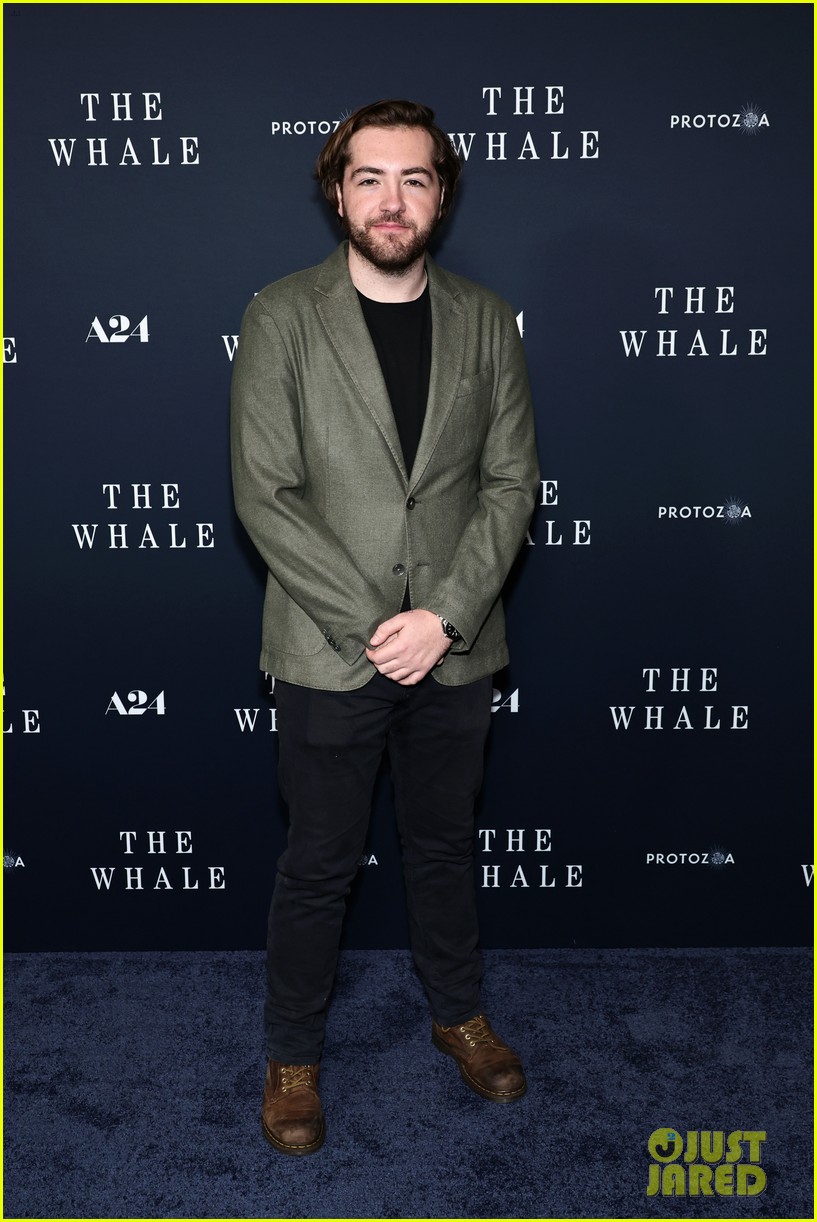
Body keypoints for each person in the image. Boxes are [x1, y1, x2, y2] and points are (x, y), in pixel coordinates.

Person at [231, 99, 539, 1156]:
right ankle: (292, 1055)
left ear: (441, 195)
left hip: (456, 648)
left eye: (413, 179)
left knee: (444, 848)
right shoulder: (280, 315)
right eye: (370, 177)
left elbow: (510, 481)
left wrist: (442, 617)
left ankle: (458, 1015)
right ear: (337, 190)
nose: (392, 199)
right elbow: (265, 494)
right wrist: (380, 626)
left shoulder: (487, 319)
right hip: (330, 646)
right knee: (318, 861)